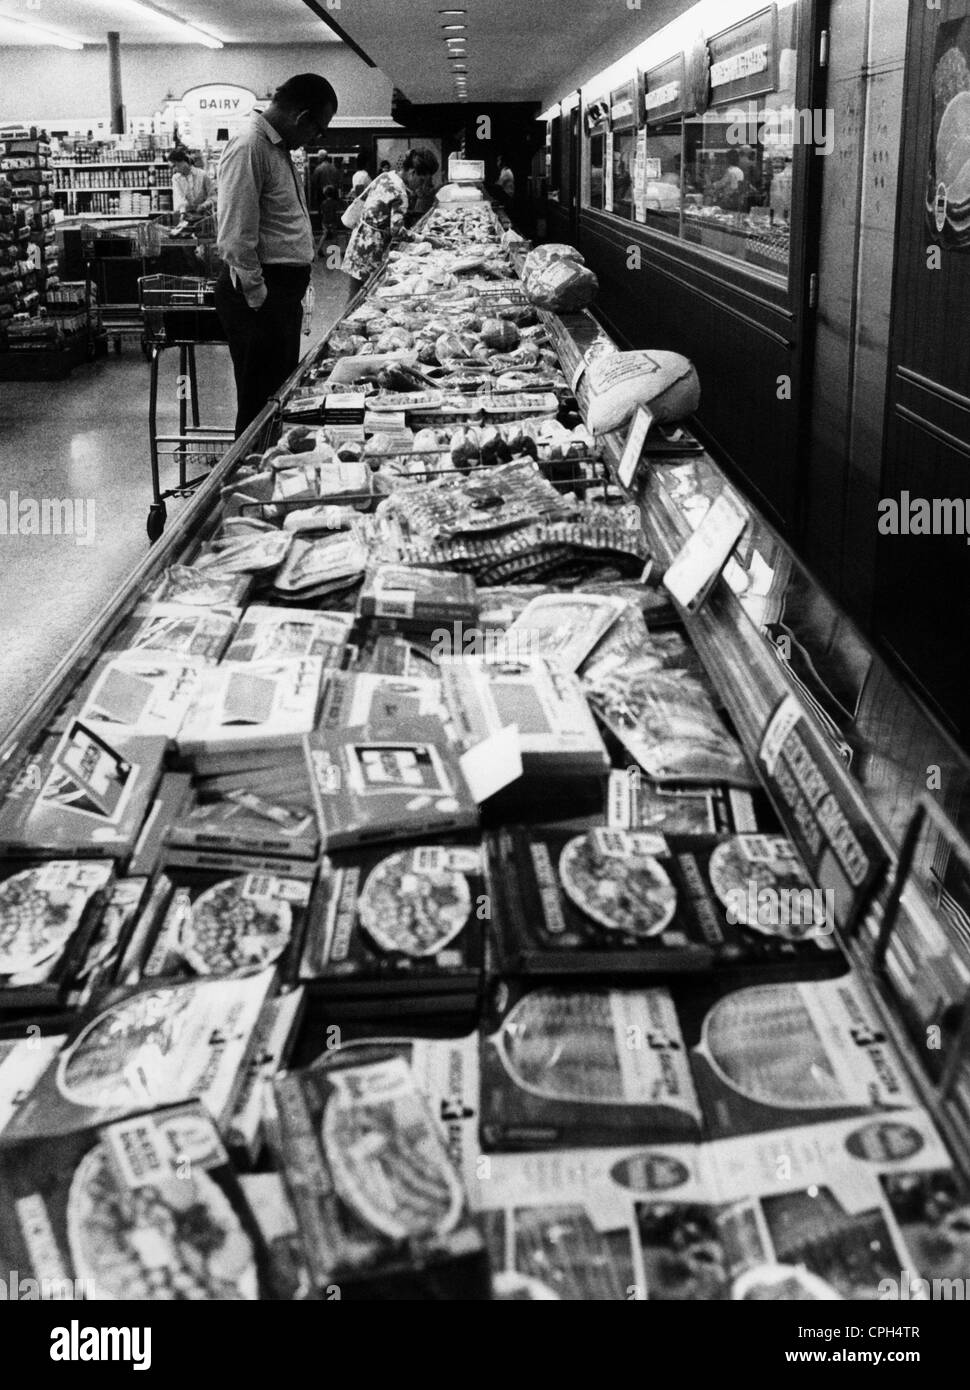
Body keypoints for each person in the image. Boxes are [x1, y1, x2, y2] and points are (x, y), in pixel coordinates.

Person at [214, 72, 338, 436]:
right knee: (259, 405)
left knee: (276, 398)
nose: (317, 138)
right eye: (320, 128)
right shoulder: (249, 145)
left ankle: (271, 470)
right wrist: (259, 297)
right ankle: (244, 483)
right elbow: (236, 236)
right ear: (302, 117)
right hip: (261, 296)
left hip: (280, 294)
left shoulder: (277, 148)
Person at [341, 148, 439, 289]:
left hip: (358, 239)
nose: (422, 185)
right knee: (362, 295)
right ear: (412, 173)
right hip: (372, 250)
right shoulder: (400, 193)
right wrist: (424, 239)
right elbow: (397, 231)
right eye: (422, 180)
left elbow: (361, 199)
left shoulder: (385, 176)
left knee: (354, 291)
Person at [168, 148, 215, 218]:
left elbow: (213, 196)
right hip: (186, 217)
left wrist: (204, 205)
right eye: (172, 168)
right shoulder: (176, 178)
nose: (174, 169)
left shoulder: (202, 175)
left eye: (175, 165)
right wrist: (183, 211)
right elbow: (179, 198)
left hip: (204, 217)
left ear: (183, 161)